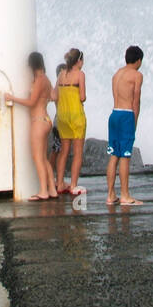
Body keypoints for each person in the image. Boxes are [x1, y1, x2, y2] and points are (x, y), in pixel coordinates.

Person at [4, 52, 58, 201]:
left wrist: (12, 98)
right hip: (44, 119)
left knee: (37, 157)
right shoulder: (45, 79)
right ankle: (52, 189)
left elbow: (31, 102)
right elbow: (53, 96)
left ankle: (43, 191)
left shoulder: (40, 80)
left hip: (38, 120)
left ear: (32, 65)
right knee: (44, 158)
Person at [106, 45, 144, 207]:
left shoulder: (116, 75)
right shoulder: (137, 75)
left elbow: (115, 96)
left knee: (114, 155)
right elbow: (136, 100)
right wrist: (134, 121)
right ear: (138, 60)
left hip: (114, 114)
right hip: (126, 114)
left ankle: (110, 195)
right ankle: (125, 195)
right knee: (125, 157)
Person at [54, 48, 87, 196]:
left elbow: (54, 95)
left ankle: (60, 183)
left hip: (62, 116)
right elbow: (82, 97)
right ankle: (73, 185)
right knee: (78, 152)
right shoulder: (80, 75)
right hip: (76, 116)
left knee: (64, 151)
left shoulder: (61, 74)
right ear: (79, 61)